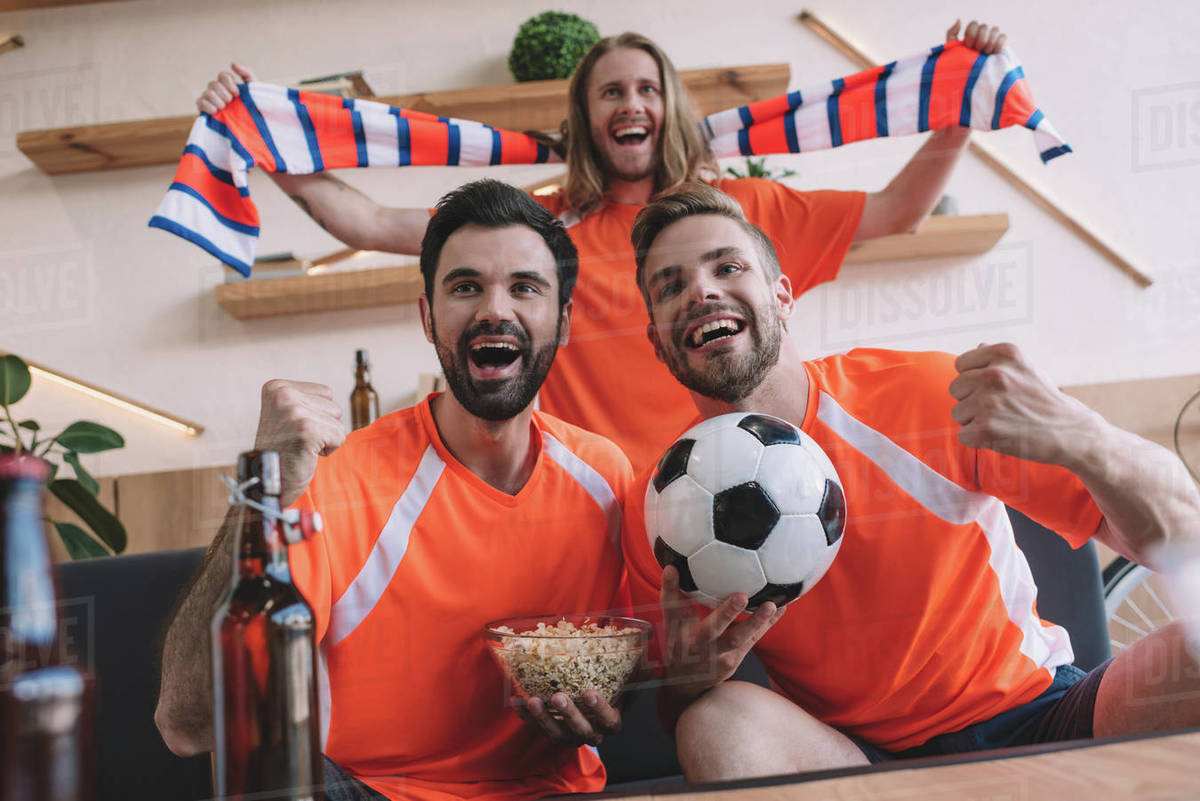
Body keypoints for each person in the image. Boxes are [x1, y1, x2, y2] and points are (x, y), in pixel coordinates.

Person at [194, 21, 1008, 472]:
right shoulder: (538, 231)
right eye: (610, 91)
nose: (632, 103)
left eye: (648, 88)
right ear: (586, 118)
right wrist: (259, 137)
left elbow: (900, 208)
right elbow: (369, 223)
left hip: (752, 488)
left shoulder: (741, 214)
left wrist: (962, 108)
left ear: (670, 109)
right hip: (602, 508)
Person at [620, 182, 1200, 780]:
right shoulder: (661, 509)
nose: (702, 291)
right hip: (867, 769)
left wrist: (1084, 435)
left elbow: (1187, 536)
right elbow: (675, 710)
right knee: (714, 724)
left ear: (783, 296)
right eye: (671, 285)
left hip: (1042, 719)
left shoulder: (931, 394)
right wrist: (687, 683)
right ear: (657, 342)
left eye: (727, 266)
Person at [155, 180, 635, 801]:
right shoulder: (335, 479)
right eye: (466, 286)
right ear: (427, 317)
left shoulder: (606, 478)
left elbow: (641, 674)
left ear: (564, 321)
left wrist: (616, 707)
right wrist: (262, 485)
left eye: (525, 287)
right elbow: (185, 725)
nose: (495, 309)